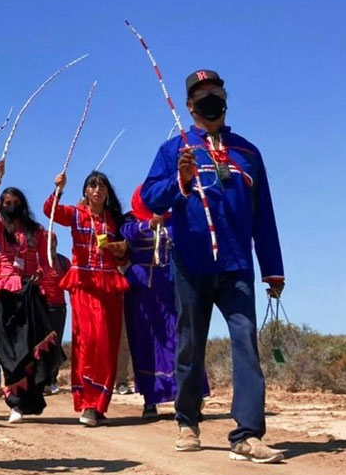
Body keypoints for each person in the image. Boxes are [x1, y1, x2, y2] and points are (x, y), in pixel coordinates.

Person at [141, 69, 285, 463]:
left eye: (215, 91)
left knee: (246, 344)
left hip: (237, 265)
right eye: (201, 94)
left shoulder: (249, 153)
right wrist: (181, 181)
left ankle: (248, 433)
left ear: (225, 96)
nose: (210, 98)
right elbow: (151, 198)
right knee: (190, 345)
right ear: (189, 105)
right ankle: (187, 421)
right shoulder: (175, 150)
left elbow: (264, 215)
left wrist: (272, 268)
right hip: (191, 263)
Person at [44, 171, 129, 427]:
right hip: (84, 285)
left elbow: (126, 251)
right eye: (92, 185)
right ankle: (87, 403)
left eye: (102, 186)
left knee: (107, 343)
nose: (97, 190)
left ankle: (100, 404)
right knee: (87, 340)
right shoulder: (75, 213)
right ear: (85, 191)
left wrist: (119, 249)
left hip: (109, 285)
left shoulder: (115, 220)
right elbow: (50, 211)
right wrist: (59, 188)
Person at [121, 185, 209, 418]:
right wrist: (149, 224)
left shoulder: (176, 218)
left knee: (181, 338)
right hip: (141, 290)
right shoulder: (130, 221)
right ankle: (150, 399)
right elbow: (129, 233)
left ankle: (190, 397)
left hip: (173, 286)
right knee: (145, 342)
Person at [0, 186, 64, 423]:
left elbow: (46, 261)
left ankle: (28, 401)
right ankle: (14, 403)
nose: (10, 205)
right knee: (9, 351)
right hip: (6, 295)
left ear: (22, 204)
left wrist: (41, 274)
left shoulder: (37, 231)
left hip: (31, 294)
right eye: (5, 202)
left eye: (15, 201)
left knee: (31, 350)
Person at [40, 253, 70, 394]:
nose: (51, 245)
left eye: (53, 242)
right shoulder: (38, 258)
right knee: (42, 343)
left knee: (55, 343)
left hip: (59, 307)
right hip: (41, 306)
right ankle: (41, 380)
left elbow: (71, 282)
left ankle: (52, 380)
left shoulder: (63, 261)